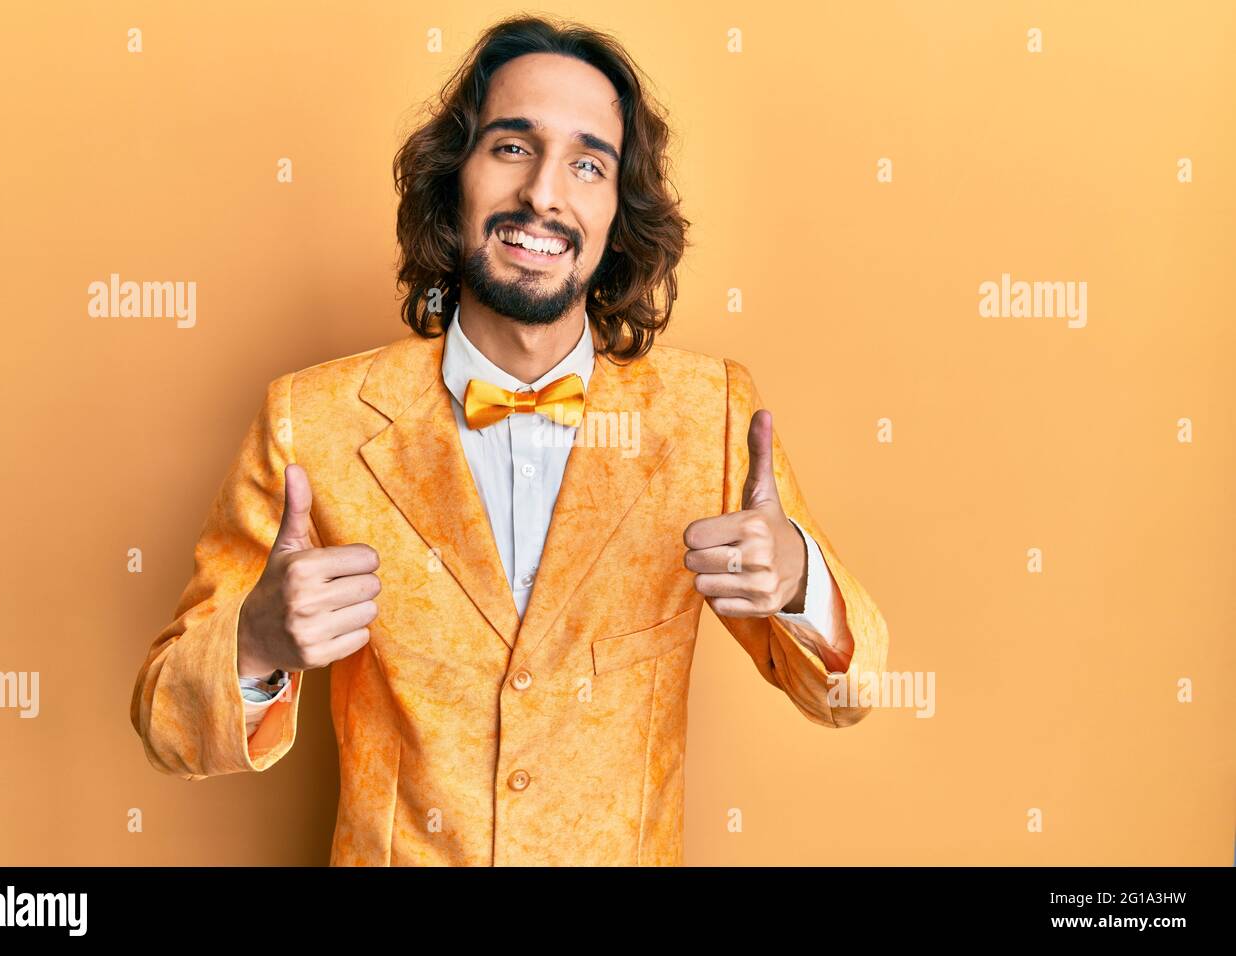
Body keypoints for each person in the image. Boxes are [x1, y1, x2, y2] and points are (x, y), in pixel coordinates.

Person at [130, 14, 889, 866]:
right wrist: (257, 640)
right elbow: (168, 726)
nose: (543, 195)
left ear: (617, 214)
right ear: (453, 177)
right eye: (512, 147)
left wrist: (796, 577)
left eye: (588, 164)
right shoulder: (313, 420)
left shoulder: (708, 417)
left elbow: (852, 693)